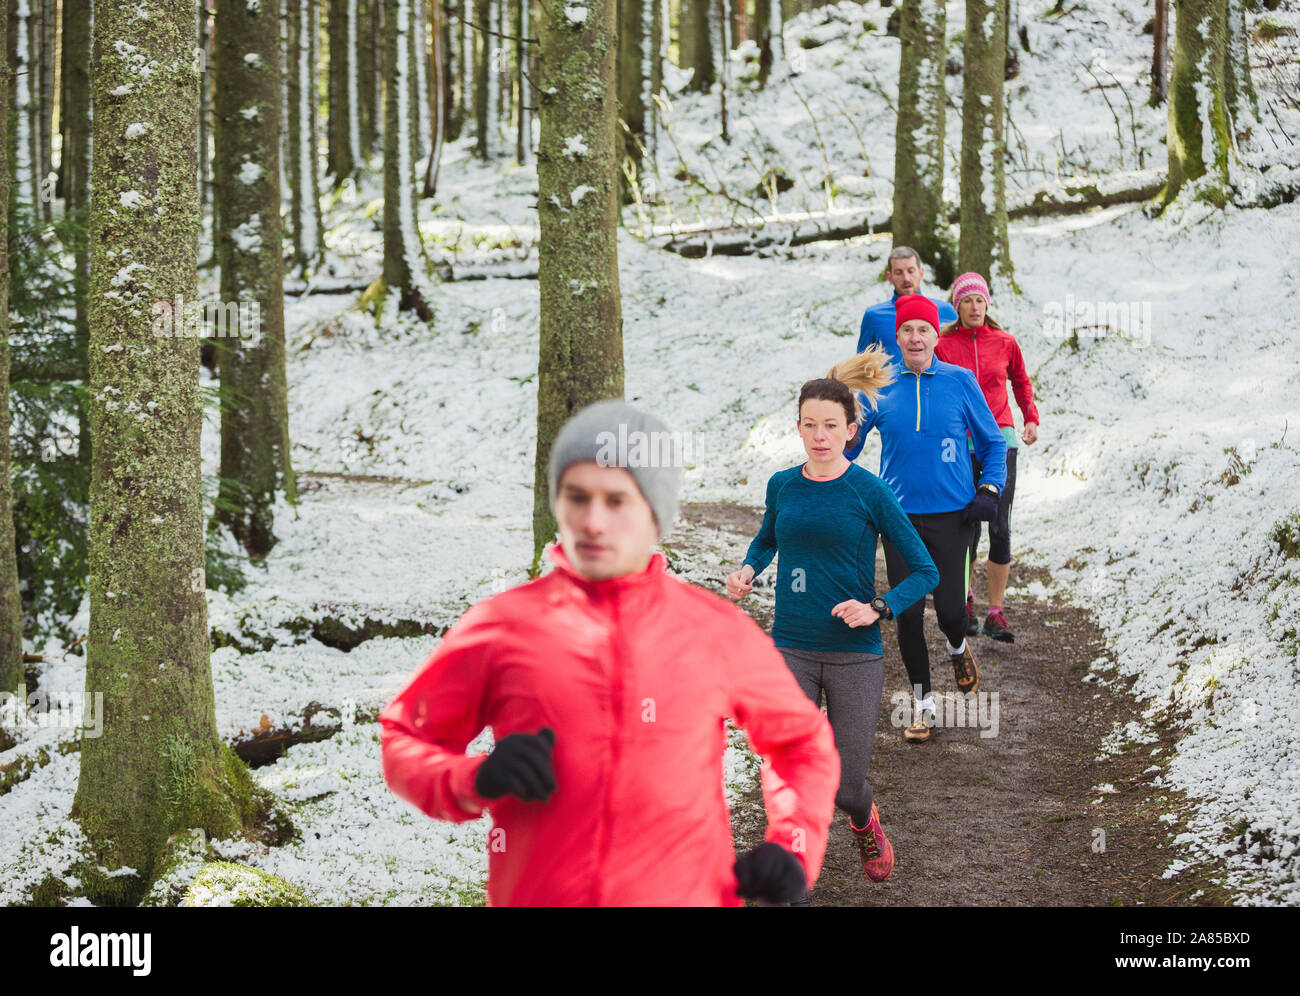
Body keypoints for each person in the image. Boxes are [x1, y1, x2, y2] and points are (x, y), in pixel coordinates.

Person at [379, 400, 840, 907]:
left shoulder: (713, 630)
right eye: (577, 497)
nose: (593, 522)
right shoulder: (501, 628)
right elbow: (405, 738)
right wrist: (472, 778)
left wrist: (793, 846)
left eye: (616, 501)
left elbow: (800, 743)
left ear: (656, 516)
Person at [725, 353, 938, 897]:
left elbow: (924, 569)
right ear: (798, 427)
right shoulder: (782, 485)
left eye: (831, 426)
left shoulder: (869, 491)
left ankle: (865, 824)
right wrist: (750, 567)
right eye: (809, 425)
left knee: (845, 786)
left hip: (854, 653)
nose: (820, 436)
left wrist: (880, 607)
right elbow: (770, 537)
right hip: (791, 646)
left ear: (850, 430)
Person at [845, 295, 1007, 742]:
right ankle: (923, 704)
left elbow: (993, 443)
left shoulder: (960, 381)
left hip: (955, 517)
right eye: (906, 331)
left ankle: (957, 646)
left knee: (952, 613)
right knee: (909, 614)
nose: (915, 338)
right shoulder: (880, 388)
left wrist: (988, 491)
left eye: (923, 330)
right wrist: (830, 433)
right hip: (898, 519)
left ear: (937, 336)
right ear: (895, 337)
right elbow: (850, 447)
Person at [935, 272, 1040, 643]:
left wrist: (1030, 417)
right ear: (957, 306)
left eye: (980, 300)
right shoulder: (942, 345)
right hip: (960, 443)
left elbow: (1021, 381)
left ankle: (996, 612)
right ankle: (965, 601)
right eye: (967, 301)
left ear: (987, 304)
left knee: (999, 525)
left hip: (1000, 439)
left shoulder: (1005, 342)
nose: (975, 307)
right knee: (967, 525)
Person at [858, 246, 959, 372]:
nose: (906, 278)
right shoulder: (873, 316)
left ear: (921, 273)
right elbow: (862, 366)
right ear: (889, 277)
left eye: (911, 271)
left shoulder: (945, 311)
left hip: (936, 388)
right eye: (899, 272)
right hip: (891, 389)